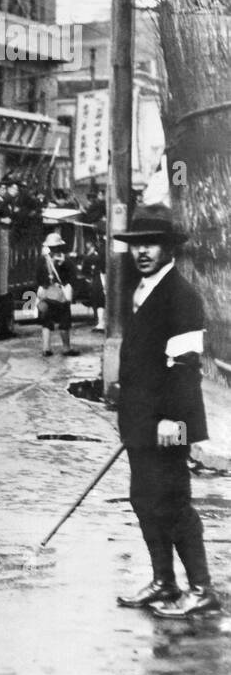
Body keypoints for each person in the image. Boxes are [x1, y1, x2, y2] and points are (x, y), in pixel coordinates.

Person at [113, 203, 219, 618]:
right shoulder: (138, 290)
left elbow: (185, 369)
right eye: (137, 244)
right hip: (141, 420)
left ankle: (201, 588)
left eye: (152, 244)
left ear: (168, 249)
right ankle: (163, 581)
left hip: (171, 422)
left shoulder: (182, 296)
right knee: (144, 499)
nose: (143, 252)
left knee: (173, 501)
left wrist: (169, 423)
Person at [35, 232, 79, 357]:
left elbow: (37, 278)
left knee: (46, 322)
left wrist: (44, 286)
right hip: (61, 296)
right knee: (64, 322)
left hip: (47, 295)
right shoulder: (66, 261)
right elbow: (73, 278)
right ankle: (66, 348)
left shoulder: (42, 260)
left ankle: (46, 348)